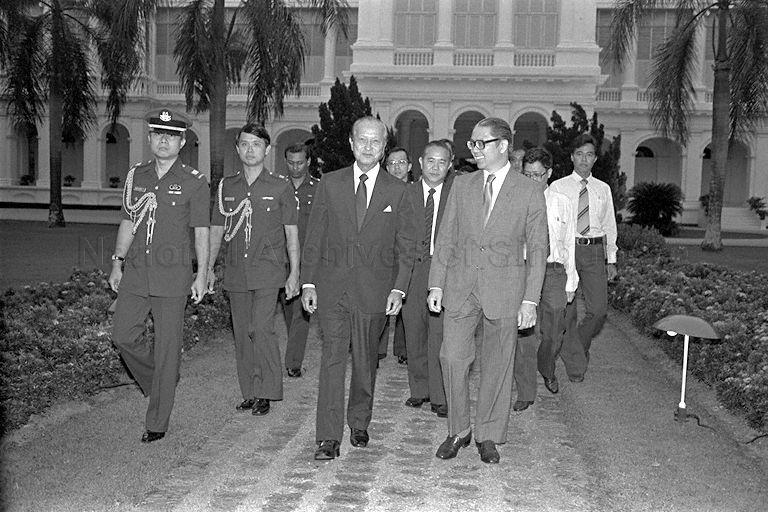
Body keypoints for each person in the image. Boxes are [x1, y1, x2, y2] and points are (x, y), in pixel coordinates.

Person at [427, 117, 547, 464]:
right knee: (451, 357)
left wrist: (530, 299)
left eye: (482, 143)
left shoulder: (529, 191)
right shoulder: (462, 185)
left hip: (506, 289)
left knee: (498, 365)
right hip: (461, 286)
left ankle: (489, 434)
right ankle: (459, 429)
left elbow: (539, 249)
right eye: (472, 144)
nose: (475, 150)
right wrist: (436, 282)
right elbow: (445, 239)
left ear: (503, 146)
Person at [301, 116, 416, 461]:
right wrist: (308, 280)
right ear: (351, 143)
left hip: (375, 292)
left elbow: (407, 246)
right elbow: (315, 235)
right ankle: (327, 437)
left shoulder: (399, 191)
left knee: (366, 361)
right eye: (362, 140)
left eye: (375, 142)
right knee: (333, 359)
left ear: (384, 148)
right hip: (332, 289)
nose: (368, 147)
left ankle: (360, 421)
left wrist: (398, 289)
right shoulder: (330, 183)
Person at [109, 109, 210, 443]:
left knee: (168, 348)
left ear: (181, 142)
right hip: (137, 271)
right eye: (157, 134)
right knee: (123, 335)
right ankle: (160, 381)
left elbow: (201, 233)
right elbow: (128, 221)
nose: (163, 140)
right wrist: (117, 261)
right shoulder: (136, 176)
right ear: (150, 138)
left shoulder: (195, 181)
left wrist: (202, 274)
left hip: (173, 276)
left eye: (171, 136)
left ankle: (157, 422)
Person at [207, 124, 300, 417]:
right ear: (237, 149)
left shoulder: (280, 186)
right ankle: (249, 390)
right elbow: (216, 230)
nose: (250, 150)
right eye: (245, 144)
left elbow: (291, 233)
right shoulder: (227, 187)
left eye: (256, 144)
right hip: (236, 271)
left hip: (268, 270)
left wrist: (295, 272)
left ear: (267, 150)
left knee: (261, 328)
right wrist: (208, 268)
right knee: (242, 333)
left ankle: (267, 391)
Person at [512, 148, 579, 412]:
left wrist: (571, 282)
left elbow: (570, 243)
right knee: (524, 332)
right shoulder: (515, 199)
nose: (532, 180)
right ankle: (526, 391)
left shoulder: (562, 201)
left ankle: (547, 367)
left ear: (549, 174)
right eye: (527, 175)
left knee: (553, 332)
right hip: (524, 269)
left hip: (553, 271)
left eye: (538, 175)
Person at [549, 134, 618, 381]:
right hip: (568, 250)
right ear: (571, 157)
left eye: (589, 154)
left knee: (598, 311)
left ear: (595, 158)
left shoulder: (603, 189)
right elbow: (552, 225)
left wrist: (611, 259)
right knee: (568, 312)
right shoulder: (557, 187)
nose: (584, 159)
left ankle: (573, 347)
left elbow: (609, 225)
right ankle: (577, 364)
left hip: (594, 251)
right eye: (579, 154)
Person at [401, 141, 454, 418]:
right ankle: (418, 389)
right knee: (414, 331)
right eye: (430, 161)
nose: (435, 167)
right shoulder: (404, 193)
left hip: (443, 270)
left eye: (442, 162)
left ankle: (440, 395)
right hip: (411, 270)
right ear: (420, 163)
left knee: (440, 334)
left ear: (450, 165)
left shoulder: (457, 195)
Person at [280, 143, 318, 378]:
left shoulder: (318, 189)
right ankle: (293, 355)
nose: (295, 167)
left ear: (309, 162)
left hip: (308, 260)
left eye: (300, 162)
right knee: (287, 311)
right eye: (291, 162)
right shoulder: (277, 187)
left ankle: (293, 362)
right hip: (279, 260)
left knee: (301, 312)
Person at [379, 147, 411, 365]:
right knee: (380, 304)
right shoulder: (378, 192)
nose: (396, 167)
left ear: (409, 166)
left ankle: (404, 348)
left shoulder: (417, 191)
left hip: (409, 257)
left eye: (401, 163)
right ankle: (377, 349)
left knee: (407, 307)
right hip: (383, 259)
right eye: (391, 163)